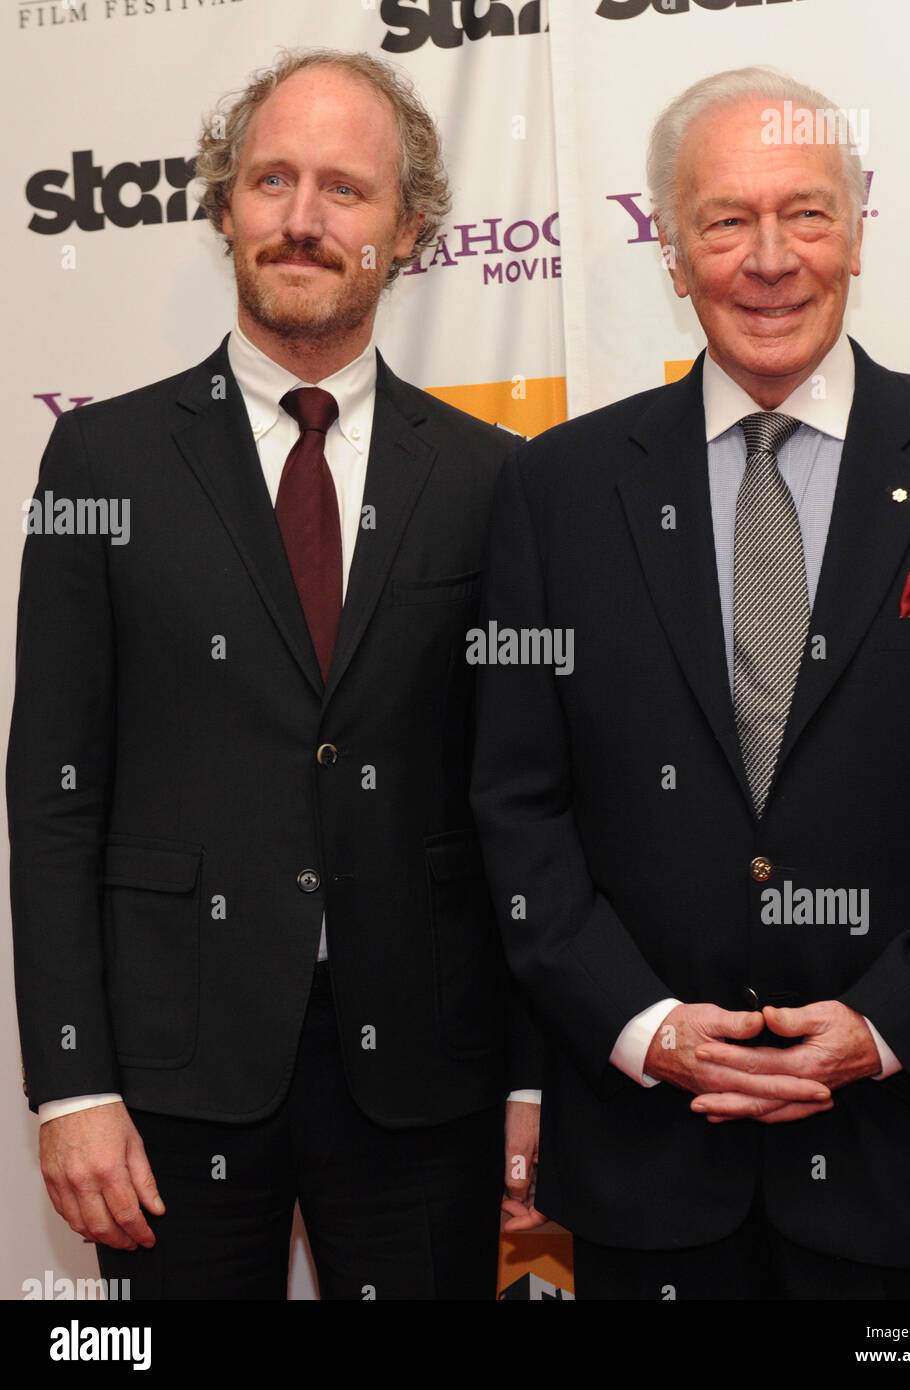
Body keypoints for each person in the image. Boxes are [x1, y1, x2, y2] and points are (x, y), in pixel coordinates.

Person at [470, 66, 910, 1300]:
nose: (768, 258)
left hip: (903, 1152)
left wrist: (890, 1022)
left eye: (806, 212)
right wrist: (639, 1027)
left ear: (857, 227)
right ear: (669, 250)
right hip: (642, 1160)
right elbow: (516, 802)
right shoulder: (555, 491)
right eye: (725, 220)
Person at [9, 48, 540, 1301]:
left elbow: (524, 803)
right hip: (169, 1071)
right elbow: (53, 798)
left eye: (344, 191)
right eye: (272, 181)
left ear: (406, 230)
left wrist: (529, 1071)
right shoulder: (98, 461)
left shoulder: (491, 478)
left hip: (425, 1069)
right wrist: (71, 1083)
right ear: (224, 203)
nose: (301, 220)